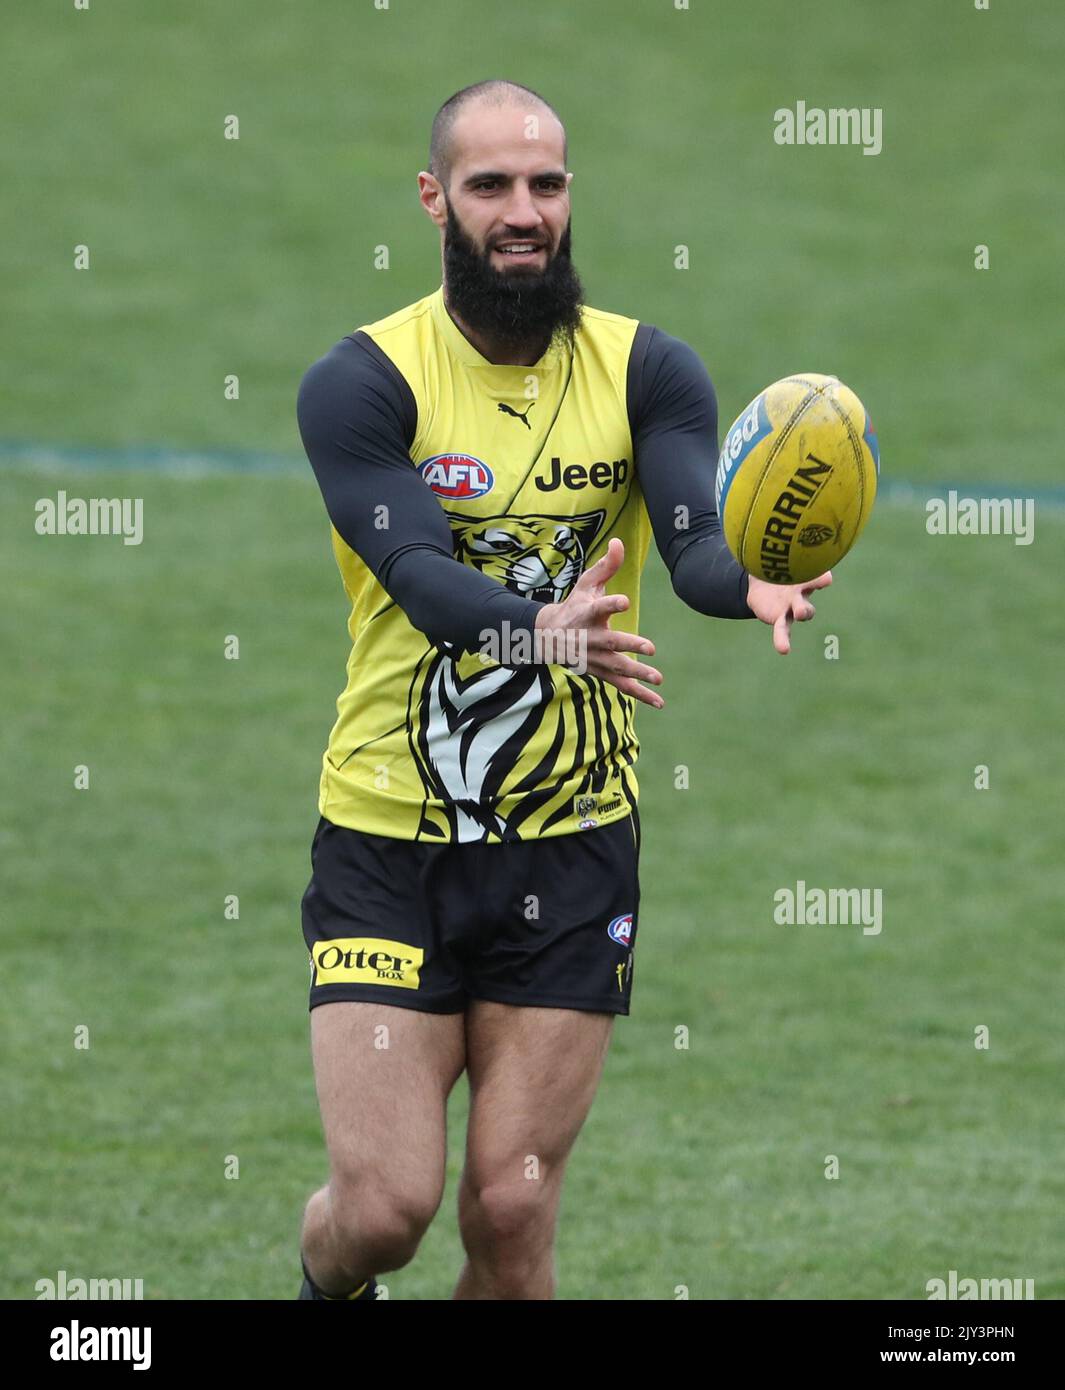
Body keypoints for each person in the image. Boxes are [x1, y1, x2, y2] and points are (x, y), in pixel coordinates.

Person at [295, 78, 830, 1301]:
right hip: (391, 834)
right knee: (384, 1210)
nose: (522, 211)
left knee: (513, 1204)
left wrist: (748, 575)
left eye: (545, 184)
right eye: (490, 186)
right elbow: (424, 577)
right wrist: (544, 634)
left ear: (570, 195)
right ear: (436, 201)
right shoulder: (363, 381)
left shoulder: (649, 368)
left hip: (573, 842)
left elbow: (692, 538)